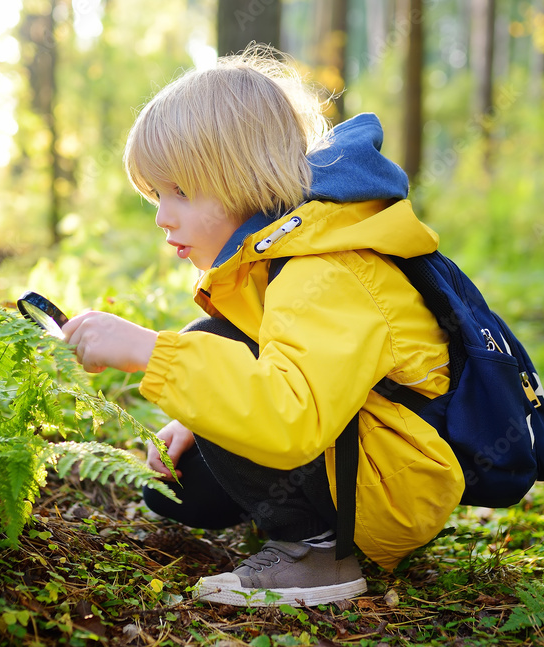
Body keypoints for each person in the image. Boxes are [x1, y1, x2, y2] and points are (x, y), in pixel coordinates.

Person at [60, 47, 465, 607]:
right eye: (156, 194)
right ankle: (296, 516)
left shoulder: (323, 269)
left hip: (393, 486)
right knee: (182, 493)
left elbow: (288, 410)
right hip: (354, 451)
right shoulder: (274, 258)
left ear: (244, 179)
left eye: (181, 191)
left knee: (203, 346)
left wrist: (155, 353)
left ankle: (319, 552)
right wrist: (201, 421)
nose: (162, 216)